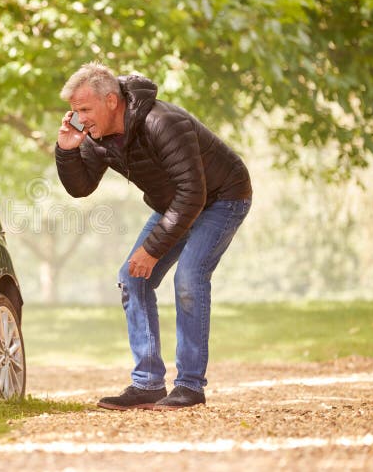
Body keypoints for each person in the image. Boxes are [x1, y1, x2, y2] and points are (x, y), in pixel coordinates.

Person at [55, 62, 252, 410]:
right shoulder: (98, 137)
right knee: (132, 279)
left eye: (85, 109)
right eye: (74, 110)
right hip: (176, 203)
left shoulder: (161, 122)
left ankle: (190, 387)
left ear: (112, 101)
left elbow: (194, 192)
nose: (79, 117)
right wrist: (67, 150)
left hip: (223, 196)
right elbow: (81, 187)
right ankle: (147, 384)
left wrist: (153, 248)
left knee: (189, 277)